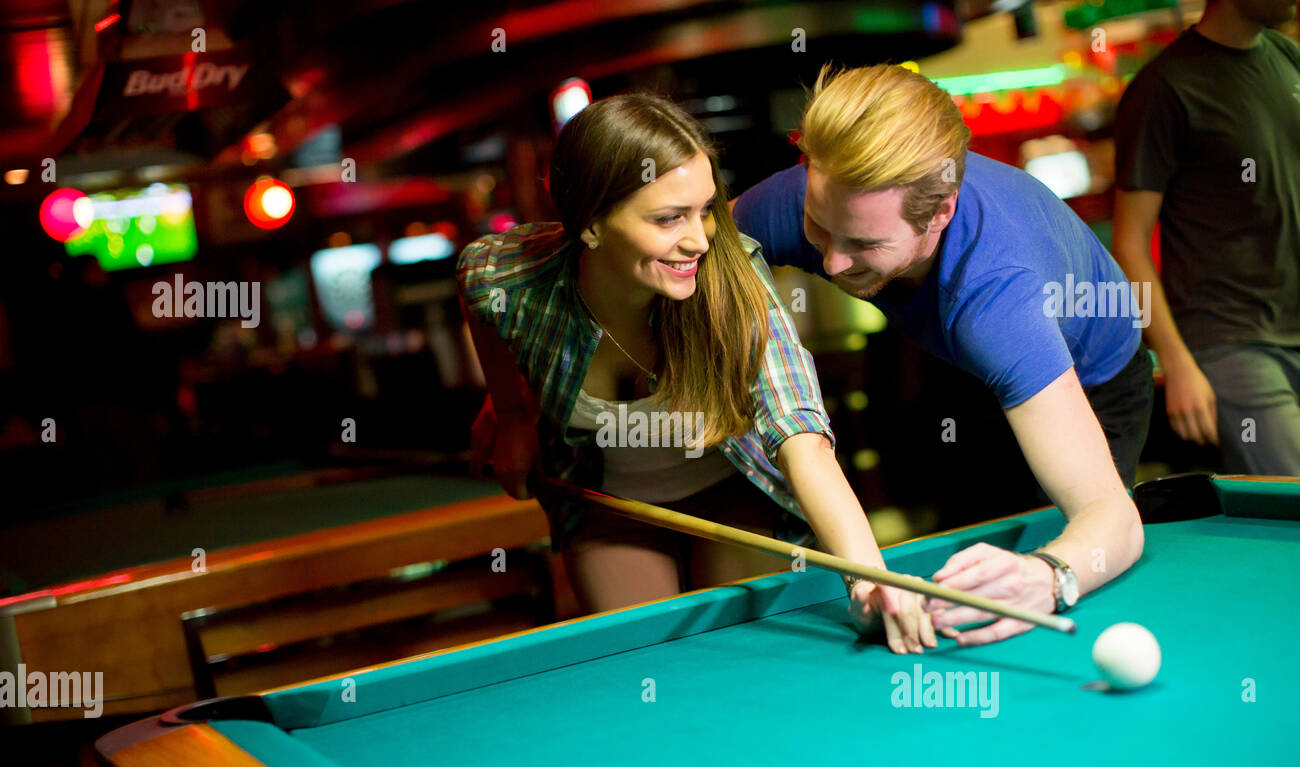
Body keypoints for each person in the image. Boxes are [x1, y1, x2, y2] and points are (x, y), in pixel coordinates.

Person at [457, 91, 935, 654]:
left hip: (735, 492)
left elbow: (799, 433)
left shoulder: (734, 279)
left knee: (740, 656)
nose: (699, 239)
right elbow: (476, 283)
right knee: (643, 661)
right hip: (609, 505)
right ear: (589, 224)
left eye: (704, 208)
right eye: (668, 218)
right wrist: (512, 413)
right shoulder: (515, 278)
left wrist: (868, 577)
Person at [732, 63, 1146, 645]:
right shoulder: (805, 196)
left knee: (1017, 589)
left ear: (941, 215)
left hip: (1087, 379)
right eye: (819, 230)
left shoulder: (999, 299)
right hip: (951, 366)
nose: (831, 263)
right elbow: (692, 251)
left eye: (864, 244)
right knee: (950, 558)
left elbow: (1116, 523)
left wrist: (1049, 576)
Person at [1112, 0, 1300, 476]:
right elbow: (1129, 244)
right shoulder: (1164, 88)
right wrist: (1176, 364)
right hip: (1231, 341)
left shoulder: (1286, 56)